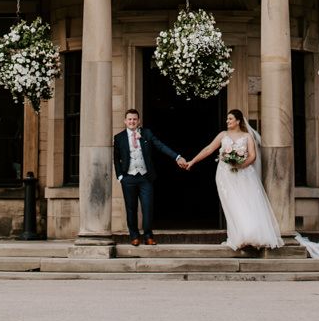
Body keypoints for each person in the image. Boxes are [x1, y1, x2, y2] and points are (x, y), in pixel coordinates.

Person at [184, 108, 283, 255]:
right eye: (227, 119)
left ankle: (252, 234)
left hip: (245, 174)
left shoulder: (247, 136)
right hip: (226, 175)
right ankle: (239, 236)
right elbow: (209, 149)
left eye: (230, 119)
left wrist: (241, 164)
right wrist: (193, 161)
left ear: (238, 121)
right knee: (233, 204)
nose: (227, 121)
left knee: (248, 202)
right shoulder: (223, 135)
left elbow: (252, 156)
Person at [112, 107, 186, 246]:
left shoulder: (146, 133)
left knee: (147, 207)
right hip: (128, 178)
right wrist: (120, 176)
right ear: (125, 121)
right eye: (130, 119)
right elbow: (116, 158)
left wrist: (177, 156)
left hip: (145, 177)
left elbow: (160, 146)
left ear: (138, 121)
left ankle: (148, 236)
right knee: (131, 208)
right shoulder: (119, 138)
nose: (132, 121)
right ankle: (134, 236)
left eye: (134, 119)